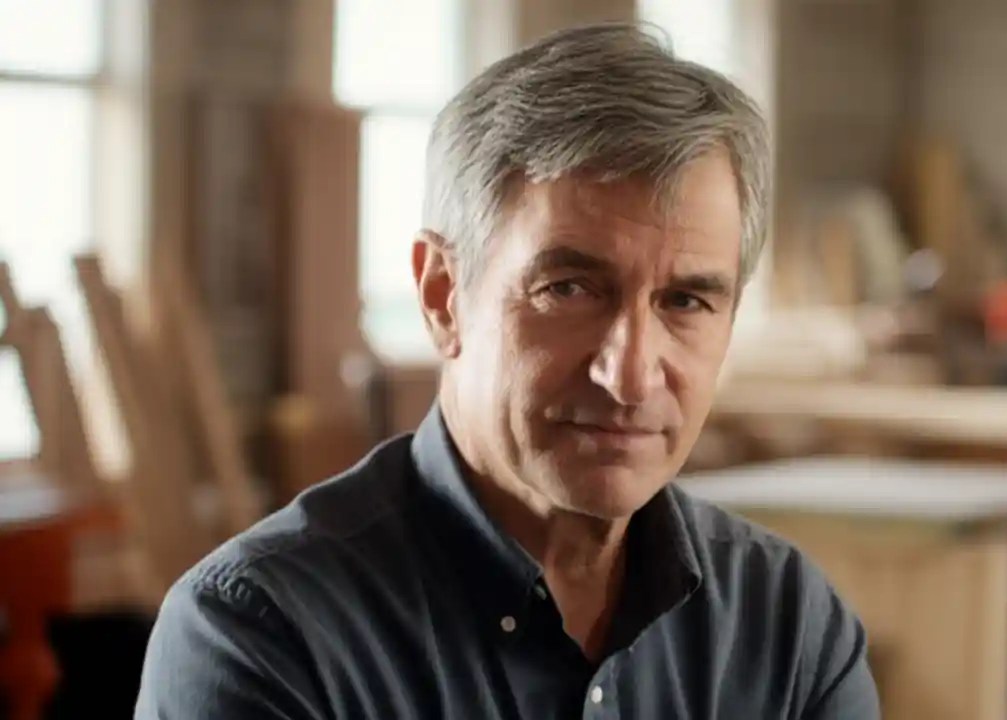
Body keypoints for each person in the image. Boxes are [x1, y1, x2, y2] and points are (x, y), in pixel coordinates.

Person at [135, 23, 879, 719]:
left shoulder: (790, 630)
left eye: (685, 300)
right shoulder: (261, 637)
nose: (630, 377)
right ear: (442, 296)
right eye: (570, 289)